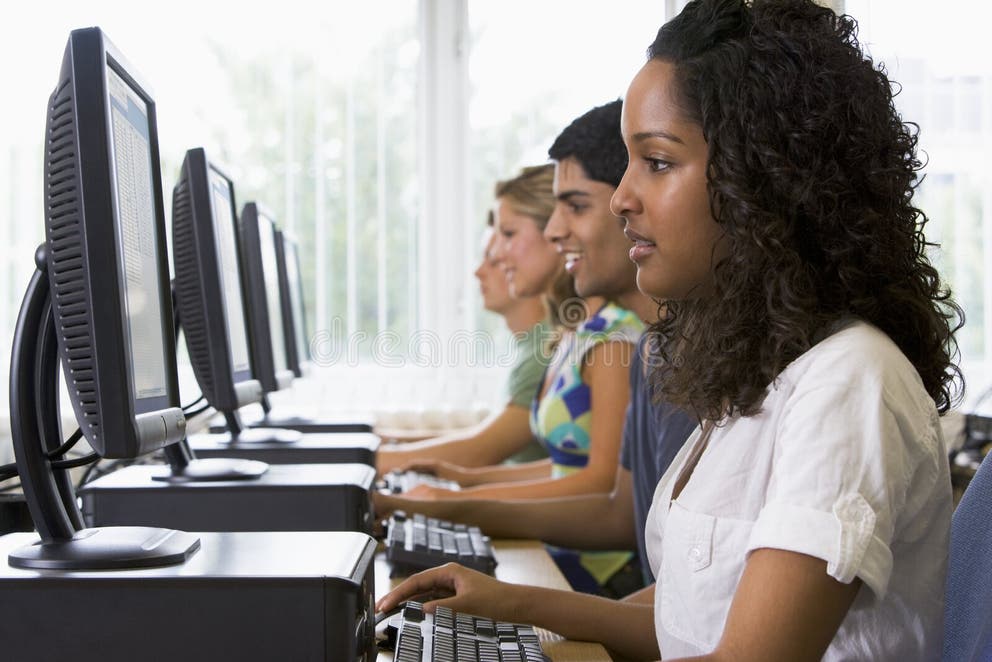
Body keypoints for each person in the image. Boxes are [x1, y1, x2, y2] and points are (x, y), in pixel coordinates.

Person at [377, 1, 963, 660]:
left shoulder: (848, 381)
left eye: (656, 162)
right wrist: (510, 602)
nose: (623, 197)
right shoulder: (752, 374)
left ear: (762, 179)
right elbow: (687, 618)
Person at [376, 100, 698, 596]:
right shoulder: (642, 347)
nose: (555, 230)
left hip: (606, 575)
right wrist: (460, 487)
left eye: (575, 206)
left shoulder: (622, 340)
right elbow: (614, 498)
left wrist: (454, 497)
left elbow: (604, 495)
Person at [376, 165, 570, 475]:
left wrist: (364, 461)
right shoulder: (548, 343)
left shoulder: (552, 347)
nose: (483, 269)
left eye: (507, 236)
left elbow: (479, 450)